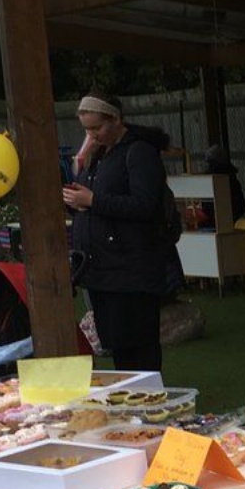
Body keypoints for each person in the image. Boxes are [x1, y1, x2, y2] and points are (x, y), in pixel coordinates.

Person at [63, 92, 174, 372]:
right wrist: (78, 195)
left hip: (132, 269)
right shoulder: (97, 156)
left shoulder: (140, 152)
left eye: (97, 127)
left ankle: (150, 402)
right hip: (102, 268)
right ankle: (131, 401)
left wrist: (93, 201)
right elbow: (91, 199)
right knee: (119, 346)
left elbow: (145, 204)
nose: (92, 135)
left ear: (116, 119)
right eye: (86, 129)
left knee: (140, 347)